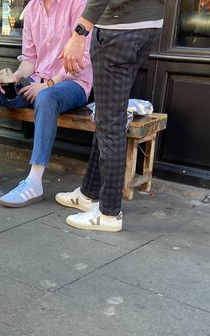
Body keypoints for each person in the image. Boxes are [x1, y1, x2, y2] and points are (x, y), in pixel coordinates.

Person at [0, 0, 93, 207]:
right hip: (37, 80)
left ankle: (34, 181)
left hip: (73, 83)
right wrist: (17, 75)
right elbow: (30, 59)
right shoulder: (32, 8)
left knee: (46, 97)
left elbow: (81, 60)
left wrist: (48, 84)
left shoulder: (77, 4)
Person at [59, 0, 163, 232]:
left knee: (110, 122)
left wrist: (79, 33)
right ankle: (90, 193)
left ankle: (109, 212)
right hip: (148, 25)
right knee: (107, 114)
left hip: (119, 27)